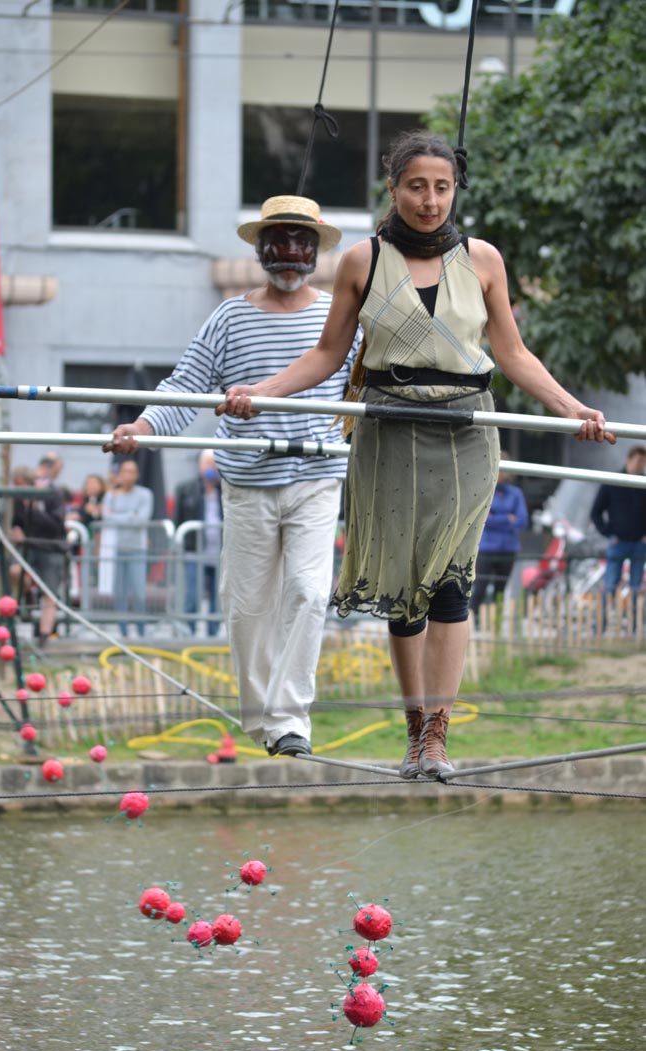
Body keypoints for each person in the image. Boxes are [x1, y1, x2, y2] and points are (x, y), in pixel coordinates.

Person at [224, 133, 611, 779]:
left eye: (441, 187)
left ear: (454, 190)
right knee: (404, 594)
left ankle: (437, 736)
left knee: (451, 586)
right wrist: (259, 395)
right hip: (388, 430)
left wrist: (572, 408)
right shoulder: (359, 260)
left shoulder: (483, 259)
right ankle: (412, 734)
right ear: (393, 188)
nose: (429, 200)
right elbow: (327, 355)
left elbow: (512, 354)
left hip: (465, 430)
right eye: (415, 186)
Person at [109, 194, 360, 757]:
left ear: (318, 251)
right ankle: (263, 720)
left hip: (316, 473)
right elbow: (185, 385)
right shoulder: (230, 317)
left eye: (302, 243)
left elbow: (365, 388)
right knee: (245, 606)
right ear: (259, 249)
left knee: (308, 592)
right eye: (279, 242)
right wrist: (142, 428)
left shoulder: (338, 319)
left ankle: (291, 719)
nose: (290, 254)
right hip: (247, 480)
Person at [10, 459, 68, 646]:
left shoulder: (52, 494)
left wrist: (34, 509)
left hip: (52, 547)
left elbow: (56, 524)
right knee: (15, 571)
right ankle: (27, 595)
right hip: (29, 546)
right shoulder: (19, 499)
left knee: (49, 594)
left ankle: (44, 637)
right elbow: (16, 520)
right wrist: (16, 529)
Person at [590, 444, 646, 624]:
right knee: (610, 584)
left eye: (644, 462)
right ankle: (601, 624)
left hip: (639, 543)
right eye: (638, 461)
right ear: (629, 460)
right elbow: (596, 512)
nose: (640, 466)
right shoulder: (613, 481)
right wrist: (608, 533)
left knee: (636, 586)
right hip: (618, 541)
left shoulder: (644, 483)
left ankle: (634, 626)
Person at [469, 452, 529, 612]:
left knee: (500, 592)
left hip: (508, 550)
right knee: (478, 589)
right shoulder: (484, 491)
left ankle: (496, 625)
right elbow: (482, 518)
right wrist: (507, 518)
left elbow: (522, 521)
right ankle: (472, 626)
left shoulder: (516, 493)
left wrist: (495, 517)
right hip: (486, 549)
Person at [173, 449, 223, 637]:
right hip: (194, 549)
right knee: (192, 594)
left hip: (218, 551)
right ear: (200, 466)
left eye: (214, 464)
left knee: (216, 596)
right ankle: (189, 631)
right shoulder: (187, 489)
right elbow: (177, 517)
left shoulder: (224, 488)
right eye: (208, 464)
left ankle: (213, 632)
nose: (211, 468)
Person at [100, 459, 153, 635]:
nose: (128, 475)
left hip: (137, 549)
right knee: (119, 592)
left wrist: (117, 516)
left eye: (132, 472)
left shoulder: (145, 494)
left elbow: (141, 520)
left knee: (139, 592)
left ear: (137, 475)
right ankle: (123, 631)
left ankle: (141, 630)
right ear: (120, 474)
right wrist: (130, 516)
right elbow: (106, 517)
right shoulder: (111, 495)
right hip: (115, 549)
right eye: (125, 471)